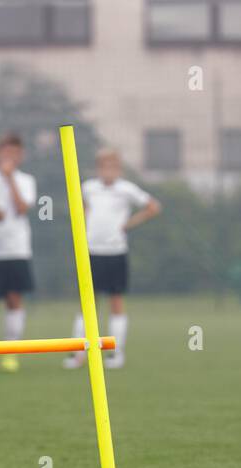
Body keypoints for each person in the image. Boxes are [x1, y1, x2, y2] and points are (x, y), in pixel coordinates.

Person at [65, 149, 161, 370]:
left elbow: (153, 207)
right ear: (98, 168)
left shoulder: (126, 189)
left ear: (119, 169)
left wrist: (127, 225)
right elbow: (80, 208)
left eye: (112, 166)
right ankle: (78, 353)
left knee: (116, 301)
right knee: (87, 303)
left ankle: (115, 353)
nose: (108, 171)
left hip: (116, 252)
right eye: (104, 166)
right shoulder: (89, 188)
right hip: (91, 251)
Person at [0, 133, 36, 374]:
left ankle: (11, 352)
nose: (9, 157)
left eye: (14, 153)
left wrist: (10, 179)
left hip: (17, 248)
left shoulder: (26, 180)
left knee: (14, 300)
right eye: (6, 152)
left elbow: (22, 208)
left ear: (21, 156)